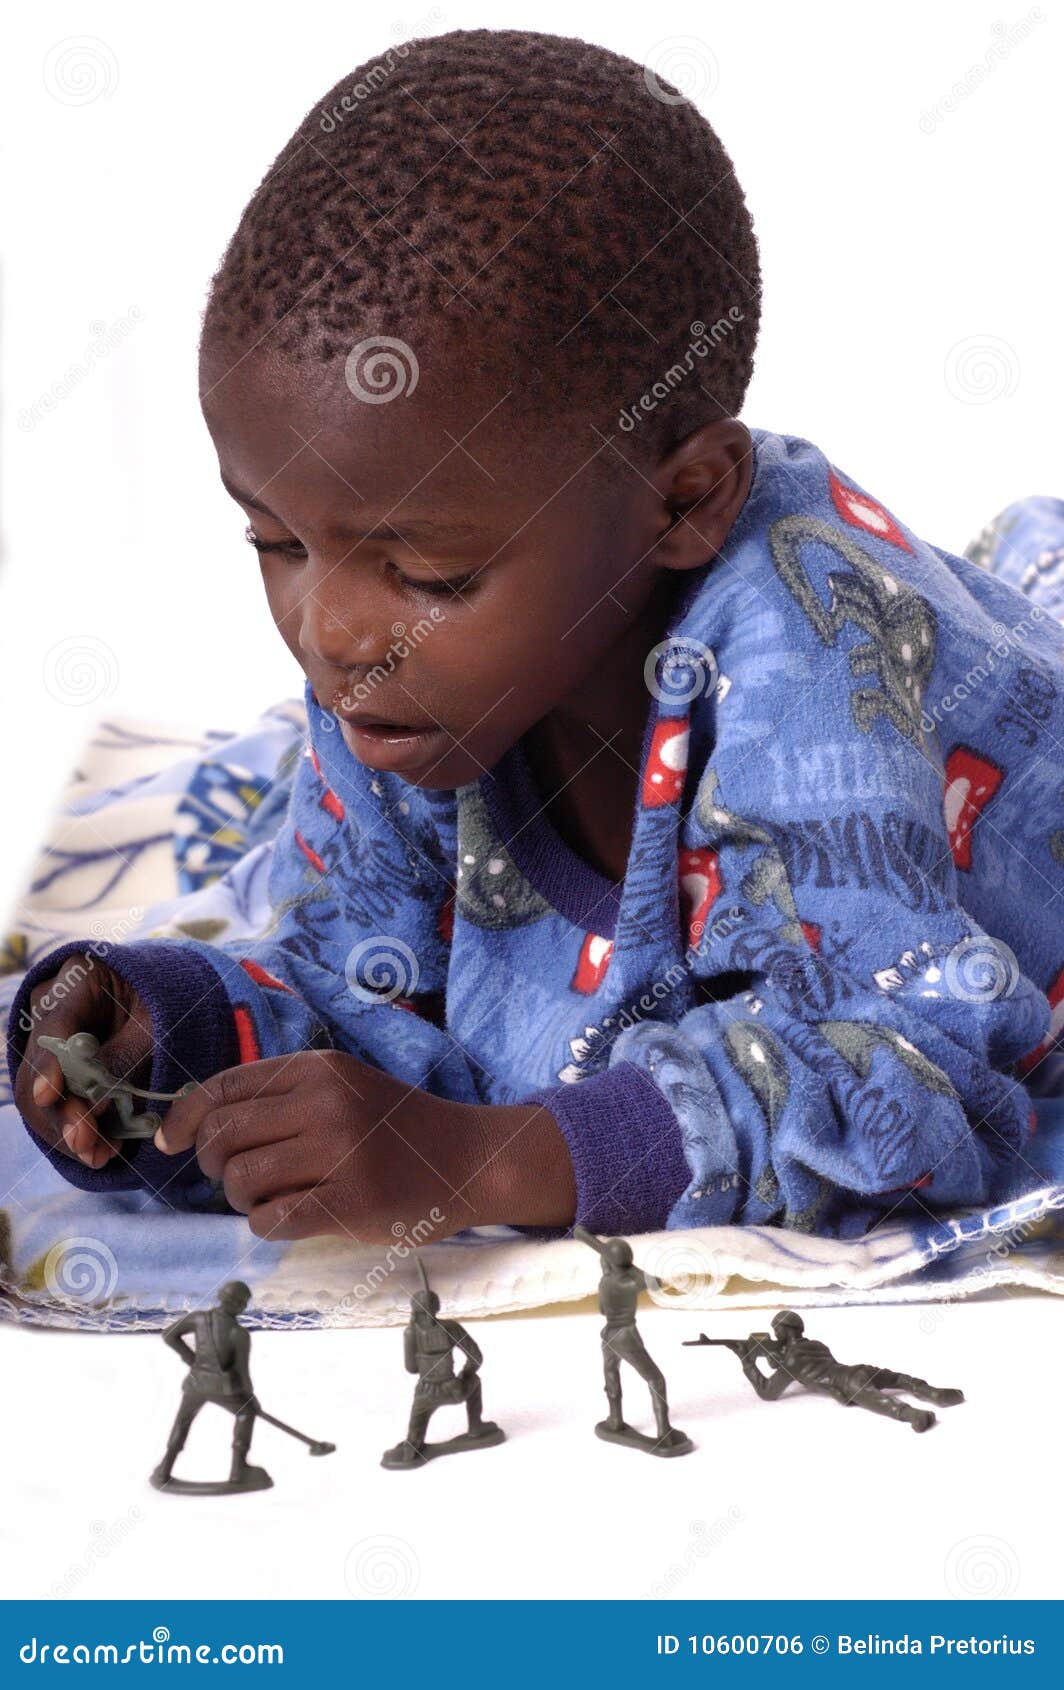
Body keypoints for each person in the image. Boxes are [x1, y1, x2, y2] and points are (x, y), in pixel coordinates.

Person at [8, 30, 1064, 1250]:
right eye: (276, 541)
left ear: (681, 500)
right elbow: (368, 979)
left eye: (430, 572)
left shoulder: (813, 666)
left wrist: (488, 1161)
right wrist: (172, 1034)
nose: (333, 633)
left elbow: (912, 1080)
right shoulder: (391, 679)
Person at [152, 1281, 270, 1491]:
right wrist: (251, 1400)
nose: (244, 1308)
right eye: (244, 1303)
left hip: (196, 1384)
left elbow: (169, 1335)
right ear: (238, 1304)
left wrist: (192, 1360)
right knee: (245, 1414)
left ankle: (164, 1470)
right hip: (222, 1389)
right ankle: (238, 1471)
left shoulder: (199, 1318)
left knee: (182, 1422)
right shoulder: (240, 1335)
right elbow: (243, 1375)